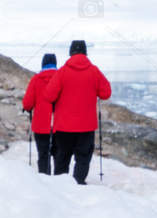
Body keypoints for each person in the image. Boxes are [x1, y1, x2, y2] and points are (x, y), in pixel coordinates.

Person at [43, 39, 111, 184]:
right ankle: (78, 183)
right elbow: (106, 93)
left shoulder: (62, 72)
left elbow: (48, 96)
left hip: (63, 126)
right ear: (85, 52)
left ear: (70, 52)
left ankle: (61, 186)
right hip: (86, 127)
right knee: (83, 157)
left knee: (62, 157)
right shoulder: (94, 71)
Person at [21, 52, 59, 173]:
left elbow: (27, 103)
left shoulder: (36, 79)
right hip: (60, 125)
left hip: (41, 125)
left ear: (43, 64)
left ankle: (44, 179)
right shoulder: (62, 78)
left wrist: (28, 108)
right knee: (60, 155)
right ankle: (61, 182)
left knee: (43, 154)